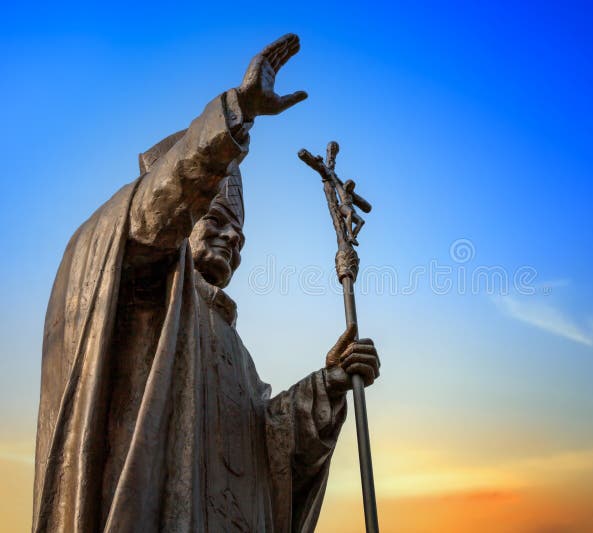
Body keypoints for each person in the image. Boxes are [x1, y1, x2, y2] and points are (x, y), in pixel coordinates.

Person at [32, 34, 380, 533]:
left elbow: (265, 437)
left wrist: (328, 385)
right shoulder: (145, 283)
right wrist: (235, 115)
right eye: (215, 220)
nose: (231, 238)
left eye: (239, 232)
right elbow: (154, 212)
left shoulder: (234, 350)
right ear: (187, 215)